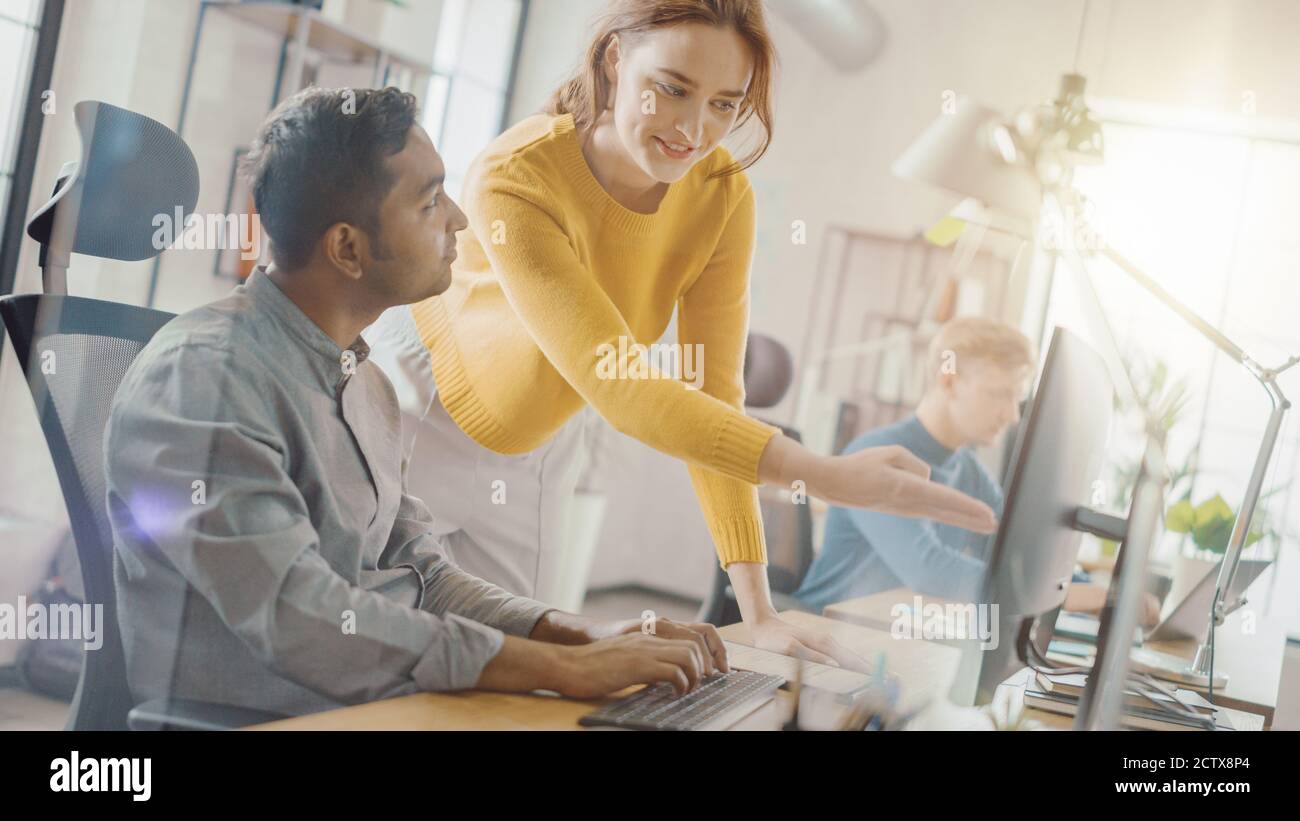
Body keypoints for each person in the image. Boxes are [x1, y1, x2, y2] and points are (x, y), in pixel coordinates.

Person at [366, 0, 996, 670]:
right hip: (426, 408)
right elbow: (619, 383)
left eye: (724, 104)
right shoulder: (517, 175)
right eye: (672, 90)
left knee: (521, 668)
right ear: (615, 58)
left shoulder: (720, 197)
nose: (694, 131)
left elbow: (715, 391)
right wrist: (824, 475)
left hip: (543, 434)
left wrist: (759, 612)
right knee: (379, 654)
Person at [104, 87, 729, 718]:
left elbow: (419, 571)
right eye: (430, 201)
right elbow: (296, 616)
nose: (459, 219)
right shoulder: (204, 375)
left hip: (366, 706)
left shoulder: (365, 383)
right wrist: (564, 669)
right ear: (347, 248)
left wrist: (578, 634)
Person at [794, 317, 1161, 627]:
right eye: (999, 394)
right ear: (949, 381)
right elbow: (929, 570)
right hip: (819, 638)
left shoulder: (969, 471)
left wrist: (1099, 589)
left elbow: (1014, 551)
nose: (1012, 415)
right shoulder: (877, 457)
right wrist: (1077, 596)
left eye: (1017, 399)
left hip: (892, 643)